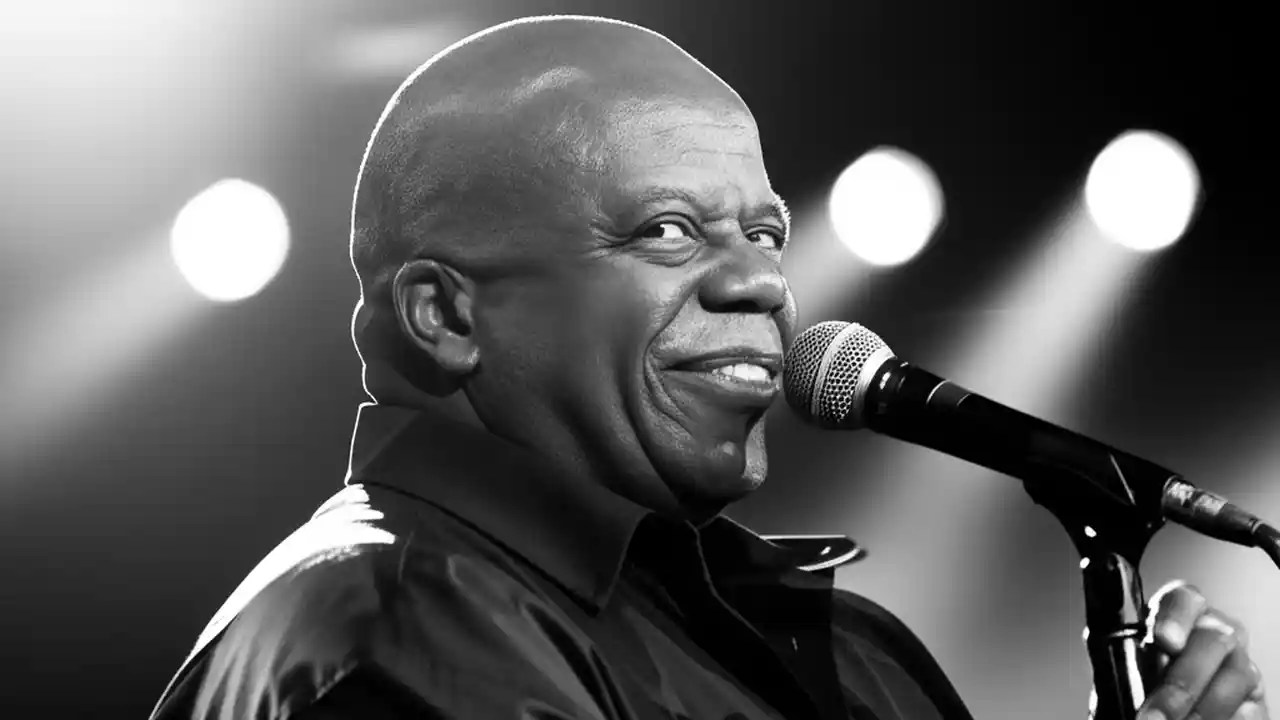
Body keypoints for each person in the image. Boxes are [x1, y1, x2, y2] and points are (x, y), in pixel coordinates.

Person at [148, 15, 1267, 720]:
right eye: (669, 232)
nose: (764, 286)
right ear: (445, 316)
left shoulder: (840, 640)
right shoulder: (402, 633)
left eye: (769, 232)